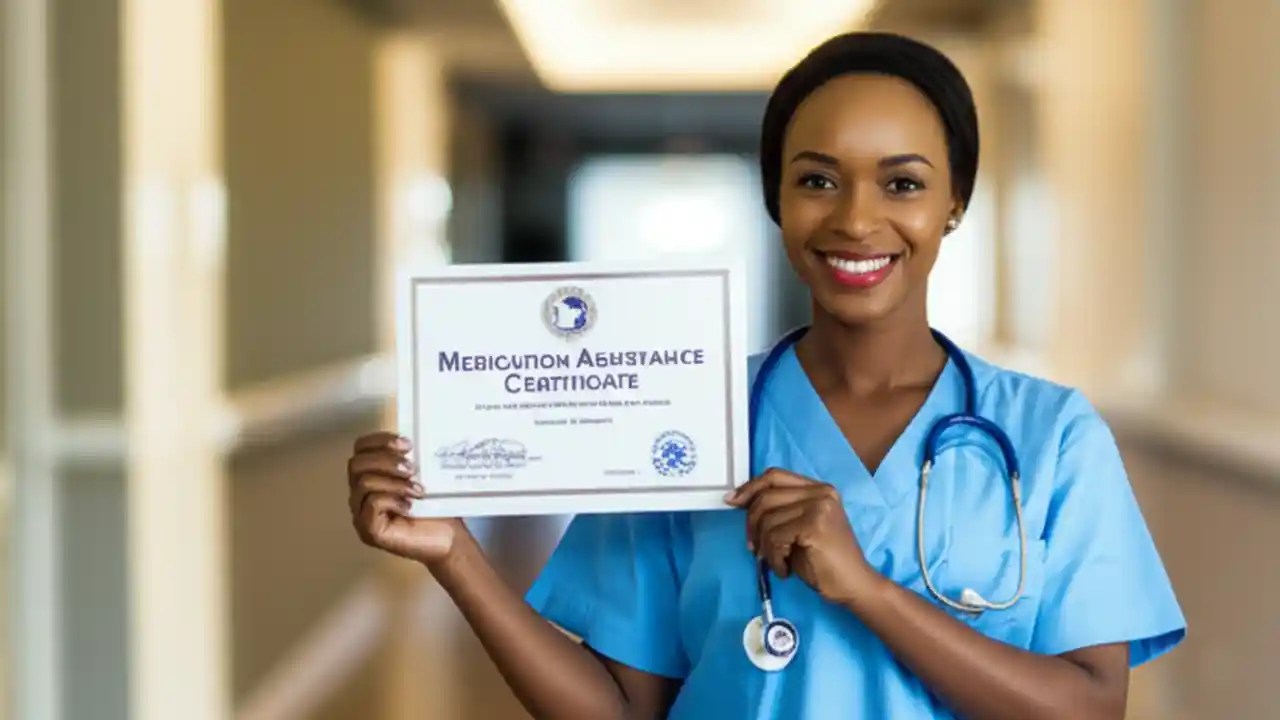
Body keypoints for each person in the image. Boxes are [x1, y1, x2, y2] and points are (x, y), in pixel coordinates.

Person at [345, 32, 1186, 719]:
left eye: (903, 182)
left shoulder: (1050, 436)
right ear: (776, 200)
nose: (857, 219)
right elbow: (620, 712)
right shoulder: (679, 415)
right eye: (817, 179)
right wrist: (454, 554)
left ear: (955, 201)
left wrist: (864, 589)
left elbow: (1088, 708)